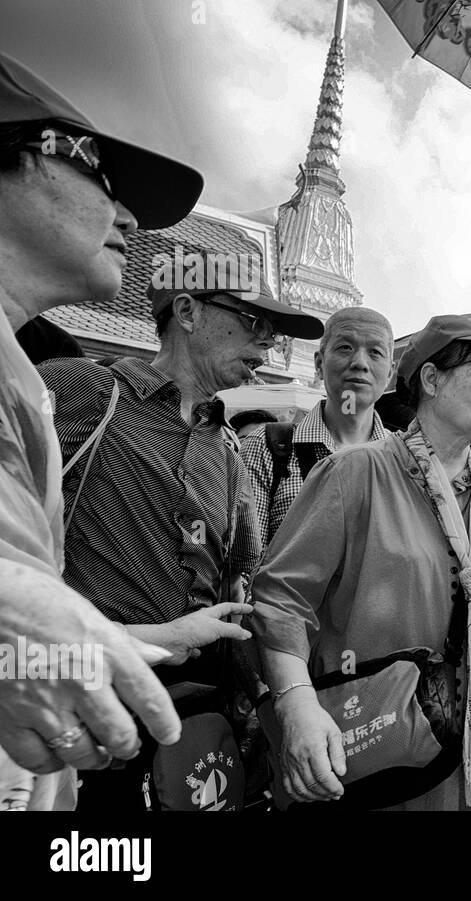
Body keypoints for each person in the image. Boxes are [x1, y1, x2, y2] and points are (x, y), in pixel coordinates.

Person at [37, 251, 324, 809]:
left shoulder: (232, 452)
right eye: (253, 322)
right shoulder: (83, 393)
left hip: (188, 723)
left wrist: (278, 704)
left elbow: (241, 589)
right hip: (79, 704)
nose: (269, 343)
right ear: (188, 311)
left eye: (273, 330)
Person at [0, 50, 202, 808]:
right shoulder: (84, 387)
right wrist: (16, 614)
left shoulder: (20, 372)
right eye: (97, 172)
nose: (126, 216)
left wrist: (156, 635)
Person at [250, 313, 471, 811]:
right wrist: (297, 705)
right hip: (370, 753)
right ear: (431, 380)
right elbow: (280, 602)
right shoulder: (354, 474)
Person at [240, 306, 392, 546]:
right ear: (319, 363)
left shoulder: (408, 460)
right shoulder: (267, 448)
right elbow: (245, 568)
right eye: (345, 347)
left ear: (390, 374)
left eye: (375, 352)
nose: (360, 363)